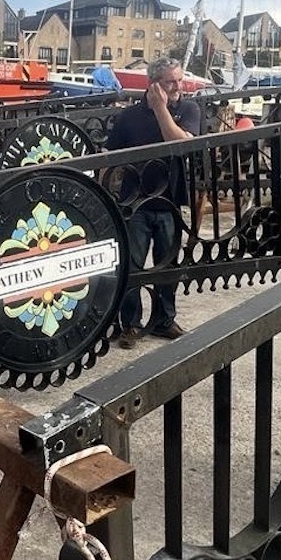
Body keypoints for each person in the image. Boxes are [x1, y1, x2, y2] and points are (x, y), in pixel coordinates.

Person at [104, 56, 203, 349]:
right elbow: (108, 157)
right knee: (132, 267)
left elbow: (180, 144)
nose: (177, 86)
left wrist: (161, 109)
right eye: (170, 81)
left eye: (179, 79)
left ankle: (164, 320)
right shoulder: (129, 117)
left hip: (169, 201)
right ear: (153, 84)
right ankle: (131, 324)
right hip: (135, 203)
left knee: (166, 266)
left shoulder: (188, 108)